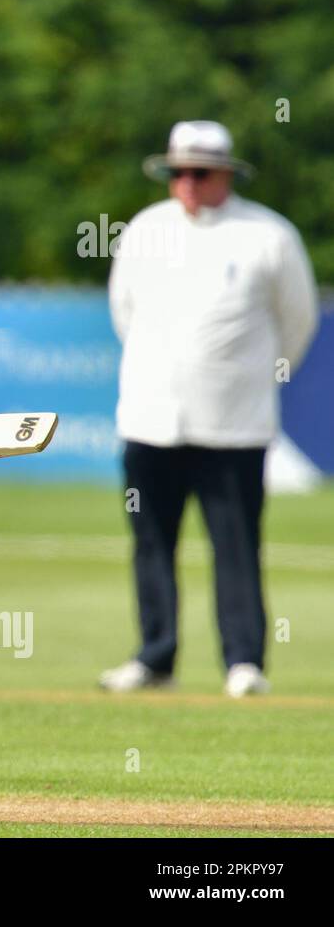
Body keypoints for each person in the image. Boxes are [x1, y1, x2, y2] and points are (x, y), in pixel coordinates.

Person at [100, 120, 319, 698]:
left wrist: (251, 379)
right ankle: (155, 655)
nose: (187, 185)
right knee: (151, 541)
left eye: (199, 173)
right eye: (177, 173)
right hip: (150, 418)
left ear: (225, 174)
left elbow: (297, 323)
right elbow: (124, 311)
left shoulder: (268, 235)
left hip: (233, 424)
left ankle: (243, 661)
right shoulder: (144, 231)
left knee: (236, 543)